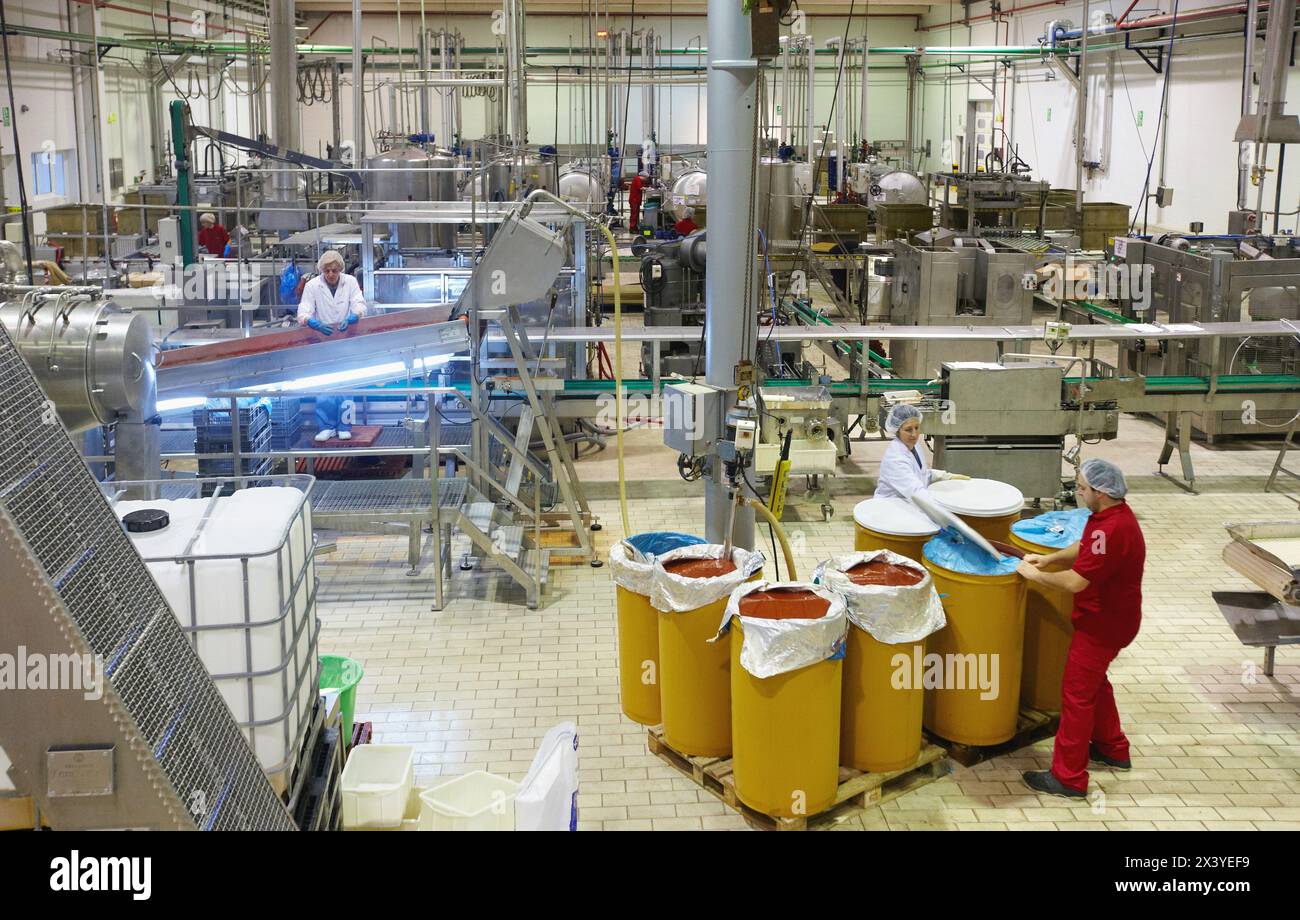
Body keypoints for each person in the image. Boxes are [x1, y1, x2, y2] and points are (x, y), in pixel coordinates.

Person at [1017, 458, 1145, 799]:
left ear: (1101, 492)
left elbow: (1075, 583)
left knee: (1076, 697)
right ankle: (1112, 748)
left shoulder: (1110, 527)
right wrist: (1050, 558)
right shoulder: (1113, 516)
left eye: (1084, 488)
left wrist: (1036, 576)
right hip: (1116, 620)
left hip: (1102, 627)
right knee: (1095, 685)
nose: (1079, 493)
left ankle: (1069, 778)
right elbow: (1088, 546)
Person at [297, 250, 367, 442]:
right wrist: (312, 322)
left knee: (347, 385)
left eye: (334, 270)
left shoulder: (350, 282)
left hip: (347, 341)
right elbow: (304, 310)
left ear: (340, 269)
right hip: (322, 342)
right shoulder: (313, 285)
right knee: (325, 386)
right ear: (322, 270)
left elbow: (360, 304)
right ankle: (326, 426)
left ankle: (345, 426)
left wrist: (354, 316)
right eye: (327, 270)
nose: (330, 274)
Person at [874, 403, 968, 501]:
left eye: (917, 427)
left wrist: (945, 476)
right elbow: (916, 493)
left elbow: (922, 474)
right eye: (908, 429)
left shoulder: (915, 446)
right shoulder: (895, 459)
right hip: (890, 507)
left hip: (908, 503)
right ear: (897, 431)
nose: (914, 434)